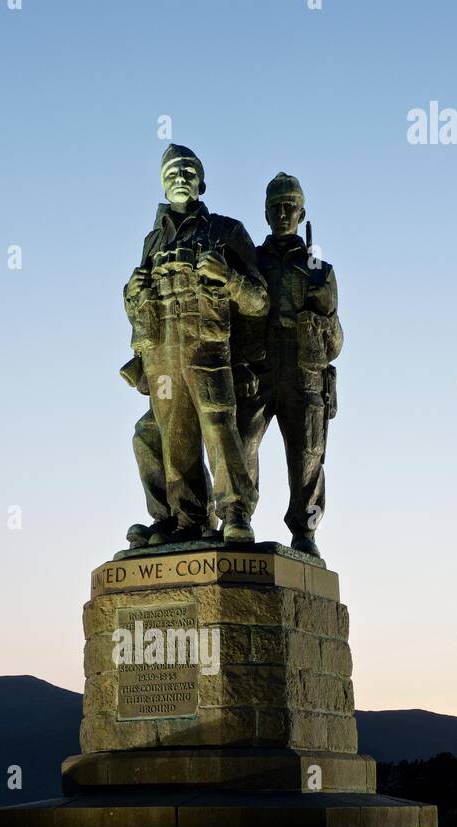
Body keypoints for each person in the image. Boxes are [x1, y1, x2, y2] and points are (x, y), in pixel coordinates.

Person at [122, 144, 268, 547]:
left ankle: (236, 513)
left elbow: (259, 301)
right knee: (171, 437)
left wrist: (229, 278)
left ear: (202, 181)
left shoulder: (227, 230)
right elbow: (142, 306)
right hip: (162, 355)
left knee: (219, 428)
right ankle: (184, 520)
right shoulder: (152, 242)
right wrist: (131, 294)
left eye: (188, 170)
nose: (180, 176)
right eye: (171, 171)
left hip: (208, 349)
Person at [238, 172, 343, 557]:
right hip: (259, 362)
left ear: (302, 212)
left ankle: (305, 531)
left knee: (308, 456)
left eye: (289, 206)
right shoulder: (251, 260)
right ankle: (238, 516)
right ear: (265, 214)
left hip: (304, 368)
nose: (283, 213)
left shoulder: (321, 269)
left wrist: (323, 308)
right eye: (275, 207)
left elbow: (335, 345)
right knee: (242, 441)